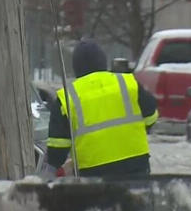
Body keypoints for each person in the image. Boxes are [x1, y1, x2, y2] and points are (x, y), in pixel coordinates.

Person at [47, 39, 158, 177]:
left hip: (93, 174)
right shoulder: (128, 83)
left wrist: (51, 169)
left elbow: (57, 147)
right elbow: (152, 116)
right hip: (136, 167)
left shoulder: (67, 98)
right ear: (103, 61)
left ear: (76, 67)